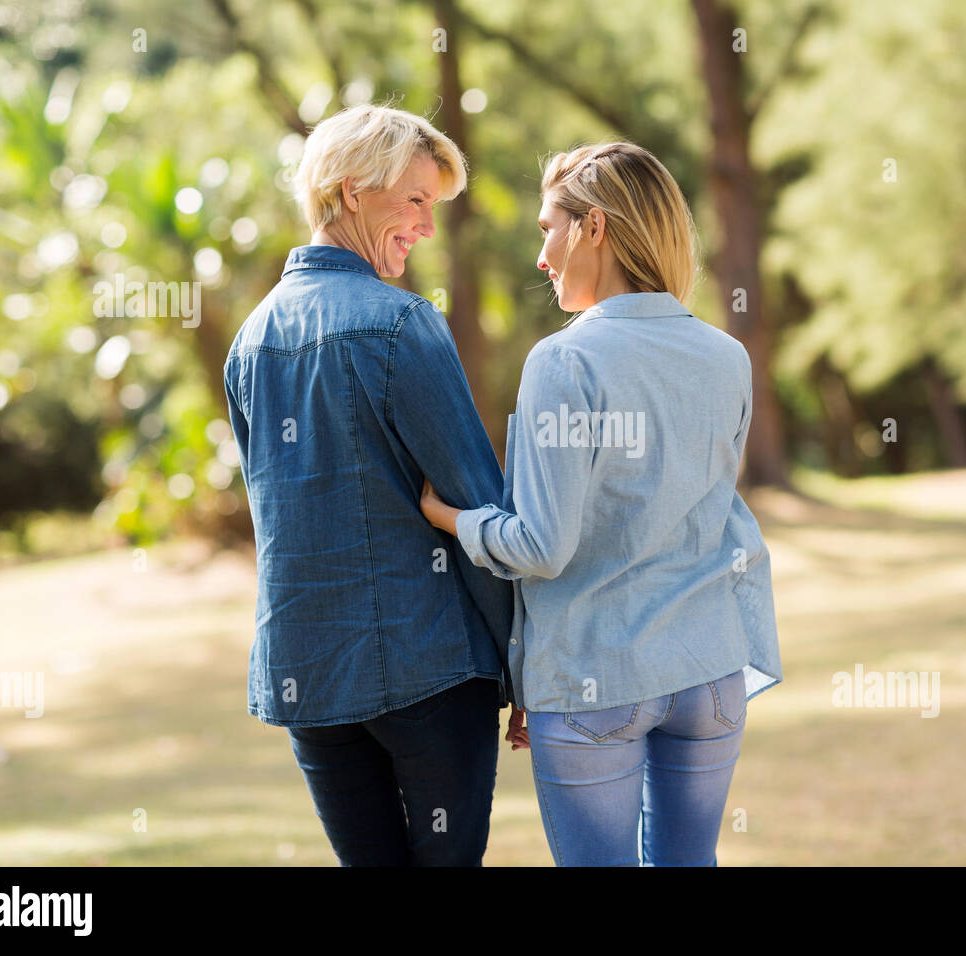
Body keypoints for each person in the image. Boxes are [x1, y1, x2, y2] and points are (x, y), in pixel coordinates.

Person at [420, 141, 782, 866]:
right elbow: (707, 511)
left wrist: (451, 517)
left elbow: (542, 547)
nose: (541, 256)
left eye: (549, 228)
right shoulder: (726, 356)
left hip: (596, 682)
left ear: (596, 228)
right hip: (709, 674)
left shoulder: (565, 361)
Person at [223, 105, 516, 866]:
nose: (426, 224)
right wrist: (527, 665)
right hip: (431, 671)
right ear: (352, 192)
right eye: (415, 200)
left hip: (308, 679)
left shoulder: (249, 340)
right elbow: (475, 500)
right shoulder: (401, 324)